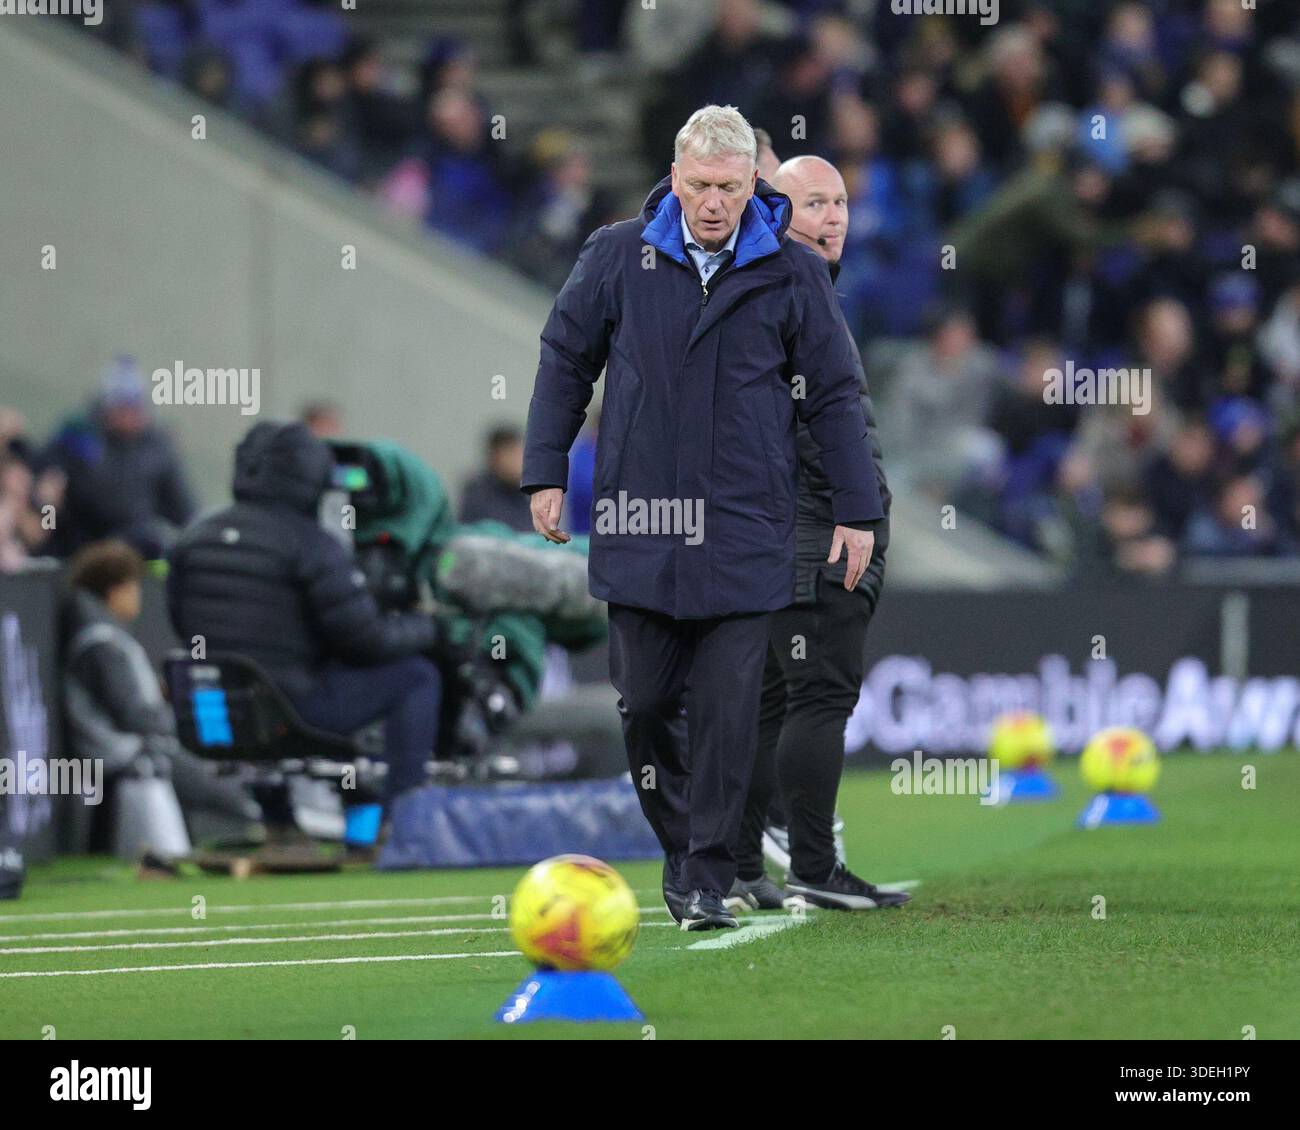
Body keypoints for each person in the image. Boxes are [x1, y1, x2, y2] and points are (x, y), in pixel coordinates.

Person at [522, 105, 881, 930]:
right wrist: (545, 470)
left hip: (747, 528)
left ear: (752, 183)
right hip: (642, 523)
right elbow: (565, 356)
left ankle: (706, 878)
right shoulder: (617, 254)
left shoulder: (792, 273)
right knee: (645, 703)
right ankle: (687, 849)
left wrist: (856, 511)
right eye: (696, 186)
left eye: (726, 187)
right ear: (673, 178)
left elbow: (833, 396)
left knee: (726, 714)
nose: (711, 202)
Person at [732, 154, 910, 912]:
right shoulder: (792, 288)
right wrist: (851, 512)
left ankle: (740, 866)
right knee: (819, 697)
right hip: (812, 535)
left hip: (779, 538)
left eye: (840, 201)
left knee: (773, 703)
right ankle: (812, 864)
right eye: (814, 203)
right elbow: (816, 425)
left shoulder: (773, 290)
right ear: (778, 213)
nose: (833, 216)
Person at [167, 422, 441, 804]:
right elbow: (368, 642)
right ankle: (405, 817)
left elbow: (182, 623)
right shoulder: (312, 546)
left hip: (213, 713)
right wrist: (430, 626)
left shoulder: (193, 537)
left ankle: (280, 824)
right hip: (290, 713)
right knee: (416, 677)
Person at [63, 540, 261, 847]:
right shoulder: (101, 642)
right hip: (125, 753)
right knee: (203, 761)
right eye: (134, 587)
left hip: (138, 745)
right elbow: (133, 715)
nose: (137, 597)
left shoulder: (105, 635)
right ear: (115, 590)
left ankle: (257, 819)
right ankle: (262, 815)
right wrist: (181, 729)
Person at [42, 356, 195, 559]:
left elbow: (184, 509)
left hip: (137, 549)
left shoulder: (158, 448)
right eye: (123, 408)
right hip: (79, 549)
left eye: (135, 409)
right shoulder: (77, 438)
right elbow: (47, 506)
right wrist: (49, 513)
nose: (129, 417)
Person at [459, 425, 534, 531]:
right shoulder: (478, 493)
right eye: (512, 453)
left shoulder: (526, 492)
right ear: (496, 456)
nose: (519, 461)